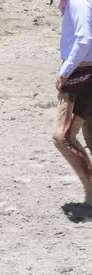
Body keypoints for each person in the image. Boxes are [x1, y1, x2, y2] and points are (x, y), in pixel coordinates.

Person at [53, 0, 92, 210]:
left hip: (82, 75)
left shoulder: (78, 1)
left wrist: (65, 71)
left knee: (63, 136)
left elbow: (85, 39)